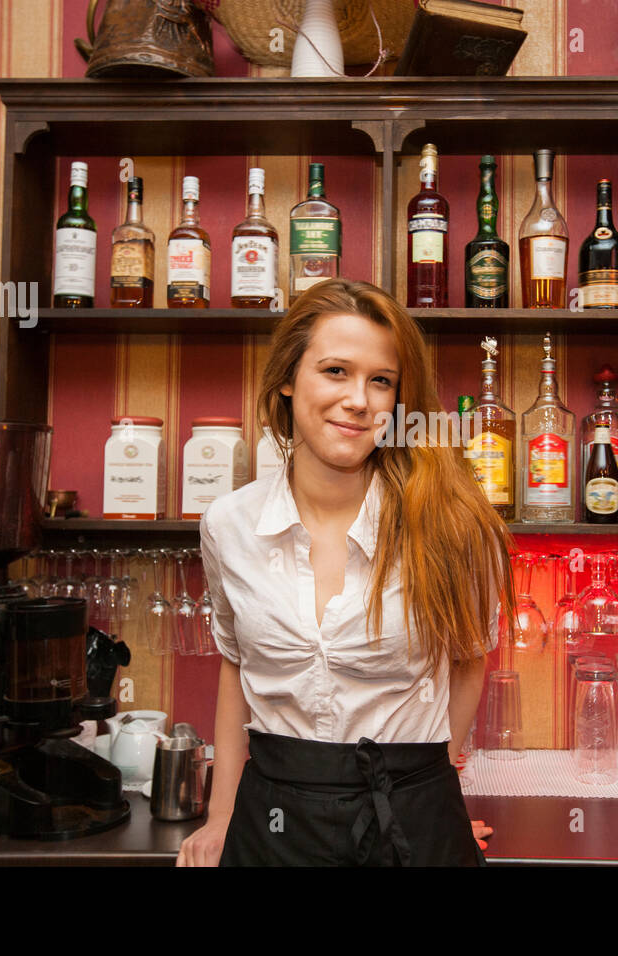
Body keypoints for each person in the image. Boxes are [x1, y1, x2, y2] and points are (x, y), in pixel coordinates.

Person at [176, 277, 516, 867]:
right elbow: (239, 668)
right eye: (335, 371)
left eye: (380, 381)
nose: (359, 400)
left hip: (412, 818)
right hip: (272, 821)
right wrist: (221, 814)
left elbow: (468, 661)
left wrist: (430, 791)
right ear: (287, 378)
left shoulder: (455, 522)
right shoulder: (228, 524)